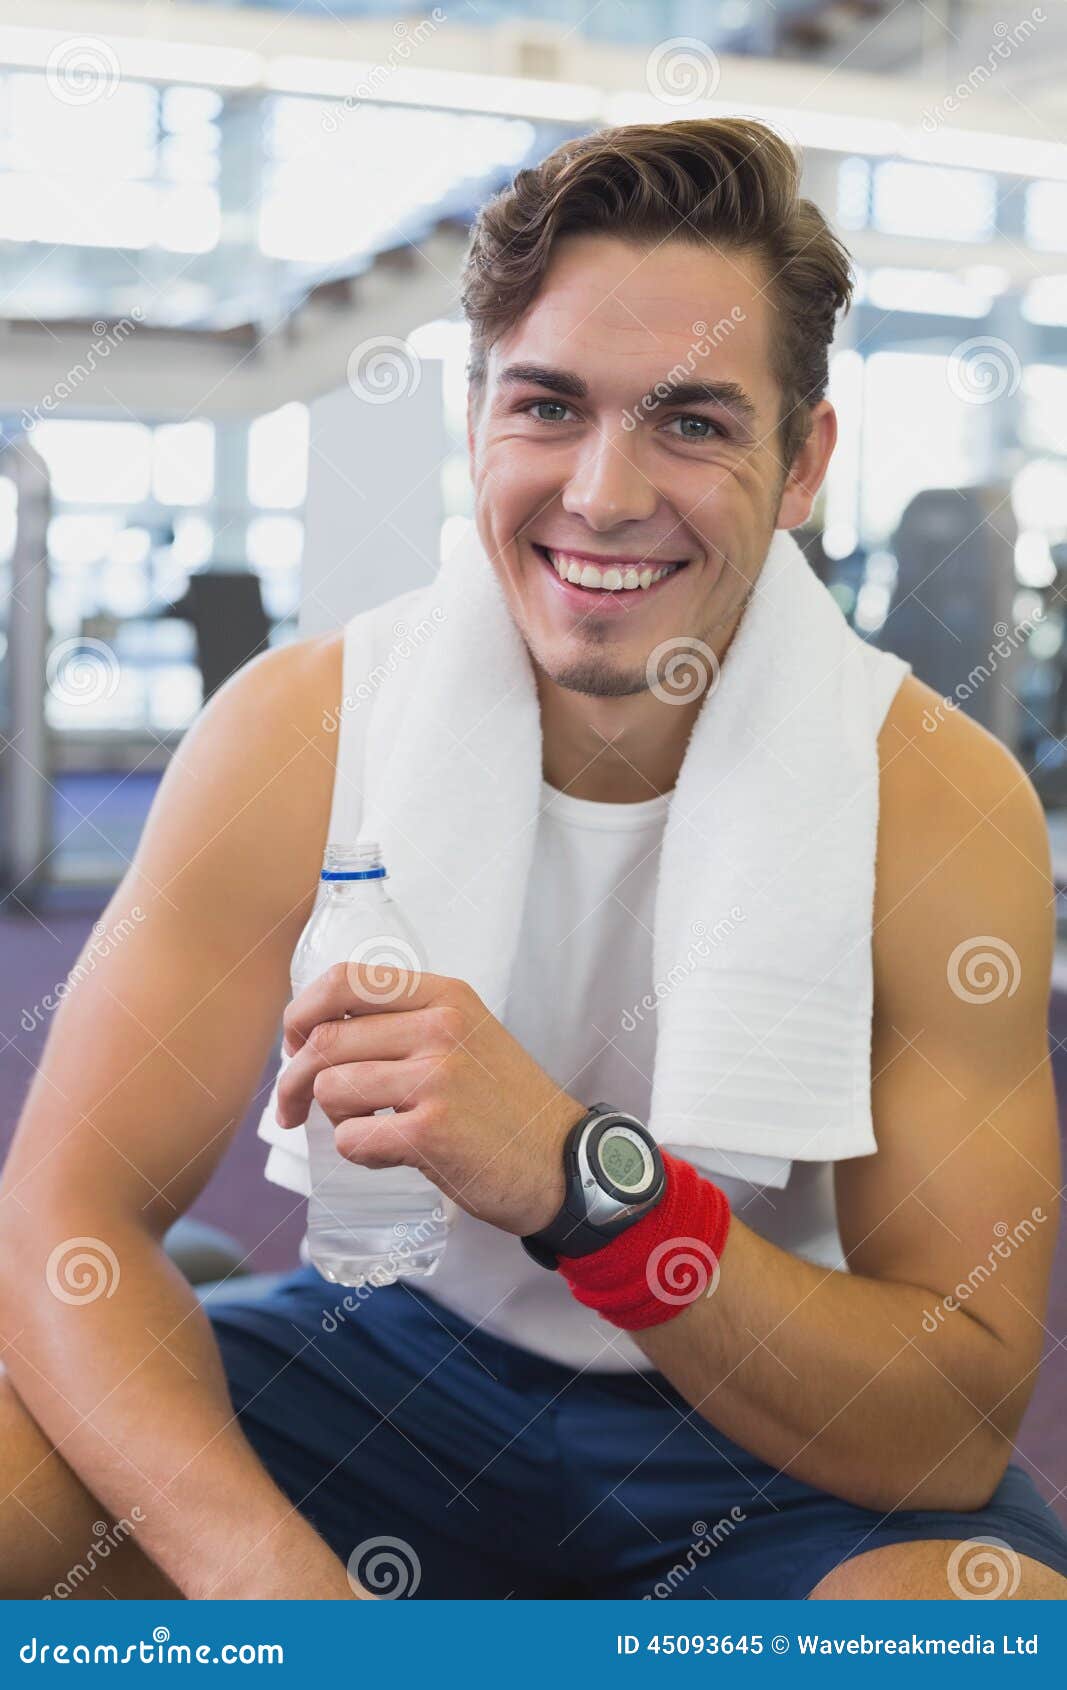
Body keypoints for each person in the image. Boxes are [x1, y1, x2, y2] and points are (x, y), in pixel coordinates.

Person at [1, 118, 1065, 1603]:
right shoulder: (299, 729)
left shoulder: (943, 804)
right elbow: (66, 1223)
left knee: (968, 1627)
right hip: (389, 1368)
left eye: (692, 422)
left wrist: (582, 1181)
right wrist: (272, 1590)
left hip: (764, 1436)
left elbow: (950, 1424)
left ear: (806, 458)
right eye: (550, 406)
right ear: (479, 419)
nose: (606, 492)